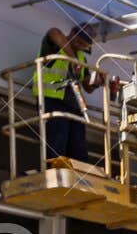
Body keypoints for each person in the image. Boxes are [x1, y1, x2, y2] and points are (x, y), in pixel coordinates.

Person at [36, 24, 103, 164]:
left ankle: (77, 175)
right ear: (71, 33)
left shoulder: (81, 58)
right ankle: (54, 171)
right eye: (78, 41)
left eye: (83, 45)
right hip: (52, 100)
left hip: (74, 105)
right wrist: (72, 59)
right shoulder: (54, 46)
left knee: (78, 146)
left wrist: (97, 82)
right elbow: (53, 31)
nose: (79, 46)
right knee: (56, 140)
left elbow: (87, 86)